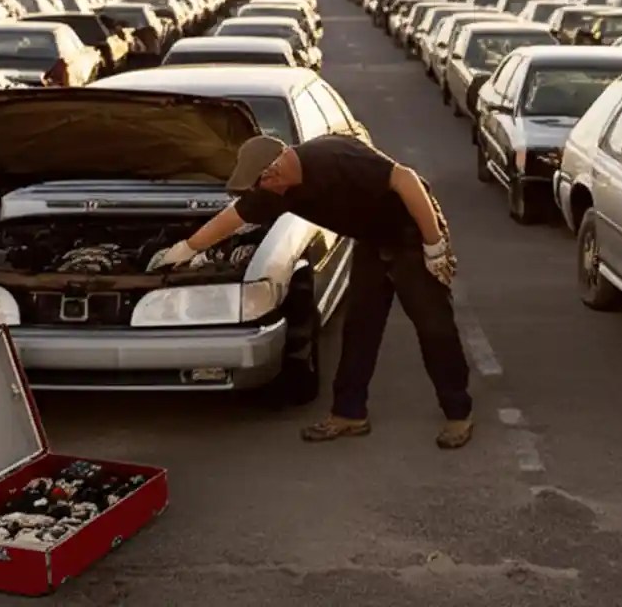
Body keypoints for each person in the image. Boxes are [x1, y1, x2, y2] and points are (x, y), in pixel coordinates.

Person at [147, 133, 475, 449]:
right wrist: (184, 249)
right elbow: (232, 218)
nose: (262, 194)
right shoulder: (273, 186)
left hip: (411, 233)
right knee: (361, 326)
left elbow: (406, 180)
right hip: (371, 238)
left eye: (262, 184)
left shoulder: (332, 157)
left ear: (274, 169)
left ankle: (458, 413)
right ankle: (349, 414)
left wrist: (434, 245)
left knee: (433, 325)